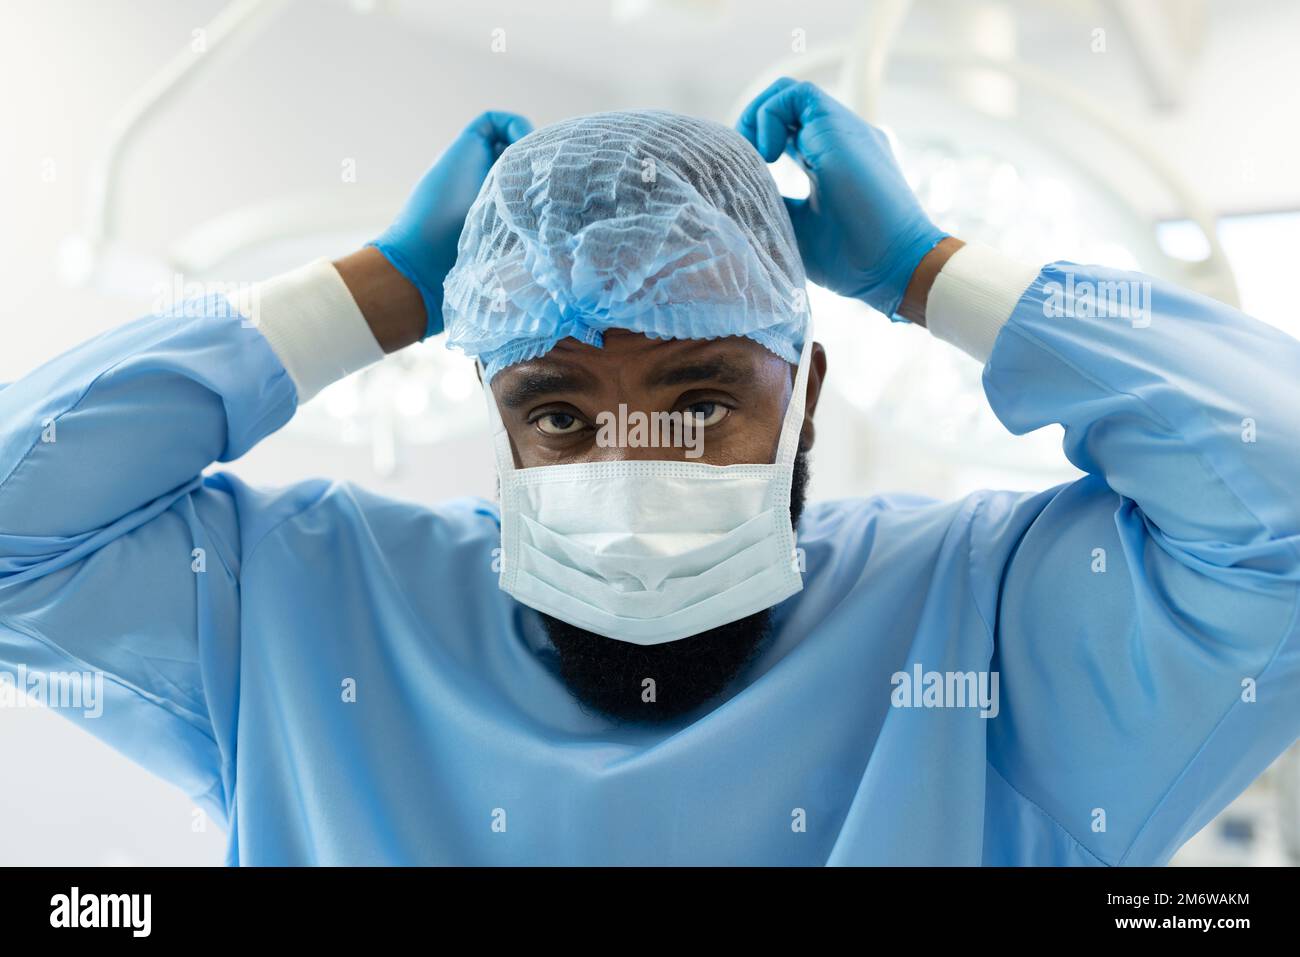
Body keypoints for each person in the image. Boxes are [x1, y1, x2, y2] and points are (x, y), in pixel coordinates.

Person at [1, 78, 1296, 866]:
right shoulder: (308, 612)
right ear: (495, 423)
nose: (633, 468)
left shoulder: (982, 621)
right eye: (559, 413)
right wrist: (387, 289)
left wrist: (925, 267)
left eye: (701, 396)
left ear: (810, 399)